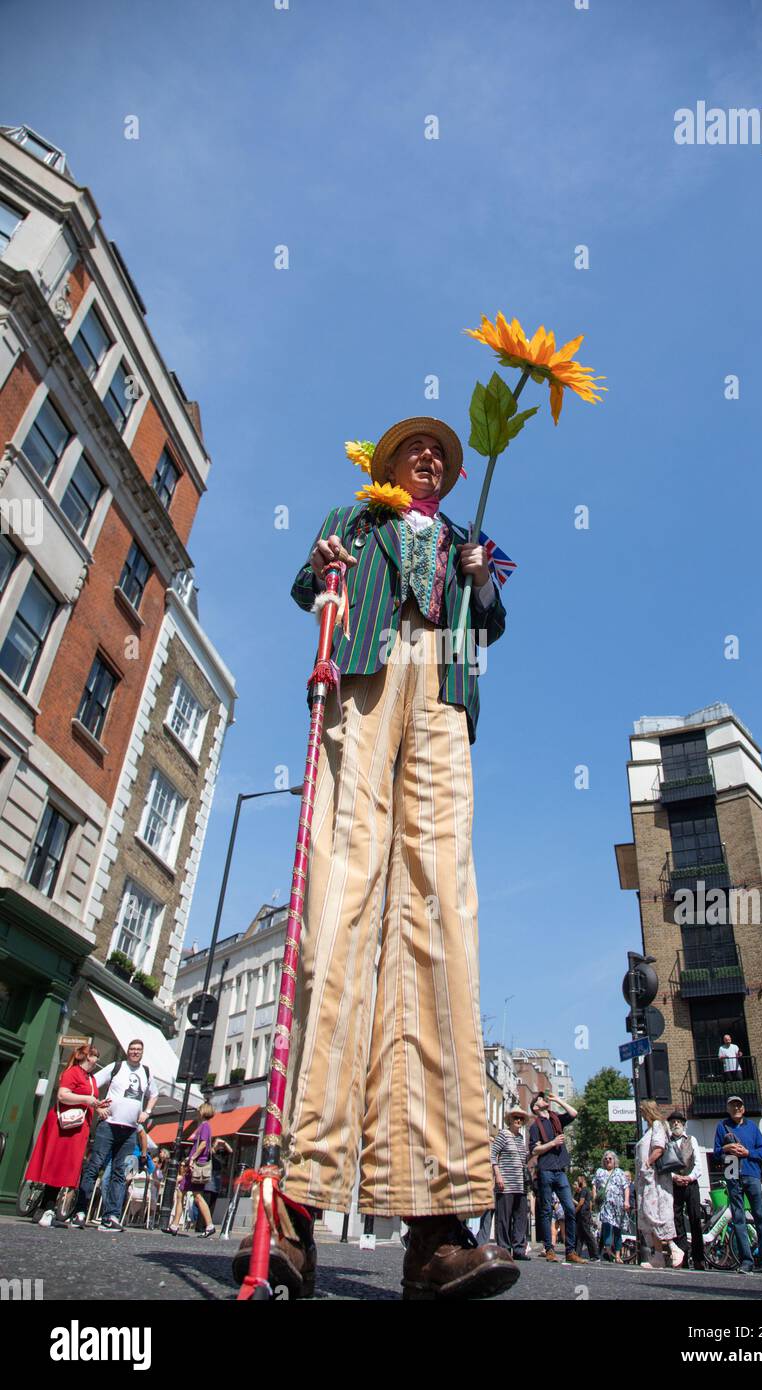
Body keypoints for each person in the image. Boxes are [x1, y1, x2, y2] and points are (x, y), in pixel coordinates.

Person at [233, 420, 516, 1302]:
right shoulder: (357, 519)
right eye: (414, 451)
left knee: (440, 924)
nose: (428, 460)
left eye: (441, 455)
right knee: (342, 905)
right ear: (389, 466)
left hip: (442, 689)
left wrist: (478, 584)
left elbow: (492, 625)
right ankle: (299, 1209)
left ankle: (436, 1229)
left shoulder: (474, 541)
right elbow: (305, 581)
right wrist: (325, 568)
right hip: (365, 679)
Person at [71, 1039, 160, 1231]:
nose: (135, 1052)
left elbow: (154, 1094)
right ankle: (79, 1212)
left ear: (142, 1053)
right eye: (132, 1049)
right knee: (94, 1167)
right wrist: (96, 1105)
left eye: (138, 1049)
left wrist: (148, 1112)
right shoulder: (117, 1066)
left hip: (129, 1129)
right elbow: (92, 1083)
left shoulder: (146, 1073)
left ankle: (111, 1216)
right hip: (108, 1125)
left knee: (119, 1173)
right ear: (127, 1051)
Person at [24, 1043, 108, 1227]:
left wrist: (99, 1107)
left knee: (67, 1167)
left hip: (79, 1127)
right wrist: (87, 1099)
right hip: (65, 1126)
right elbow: (62, 1095)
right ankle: (47, 1209)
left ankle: (44, 1210)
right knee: (58, 1164)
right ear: (87, 1057)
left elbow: (89, 1099)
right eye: (95, 1056)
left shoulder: (90, 1078)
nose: (97, 1060)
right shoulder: (73, 1073)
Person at [712, 1095, 762, 1276]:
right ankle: (746, 1261)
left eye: (739, 1105)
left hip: (751, 1173)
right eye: (733, 1106)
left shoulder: (752, 1127)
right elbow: (716, 1152)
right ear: (728, 1108)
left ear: (743, 1108)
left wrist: (747, 1152)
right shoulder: (721, 1126)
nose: (736, 1108)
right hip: (732, 1172)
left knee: (760, 1218)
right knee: (738, 1218)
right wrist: (727, 1149)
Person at [527, 1090, 581, 1264]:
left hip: (560, 1170)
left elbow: (574, 1113)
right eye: (542, 1098)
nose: (545, 1099)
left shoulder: (555, 1118)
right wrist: (552, 1143)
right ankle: (549, 1249)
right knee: (546, 1210)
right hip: (545, 1170)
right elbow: (534, 1149)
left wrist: (558, 1099)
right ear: (536, 1106)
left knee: (570, 1209)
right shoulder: (535, 1126)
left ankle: (570, 1251)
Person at [635, 1101, 684, 1270]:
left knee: (655, 1213)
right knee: (649, 1216)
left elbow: (658, 1148)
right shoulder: (651, 1128)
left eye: (642, 1111)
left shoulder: (657, 1125)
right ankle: (658, 1256)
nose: (641, 1115)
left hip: (654, 1179)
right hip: (647, 1179)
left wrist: (647, 1163)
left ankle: (673, 1247)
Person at [490, 1107, 530, 1260]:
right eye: (515, 1118)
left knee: (520, 1218)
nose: (518, 1120)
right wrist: (498, 1175)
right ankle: (504, 1250)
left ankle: (519, 1249)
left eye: (520, 1118)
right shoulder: (503, 1135)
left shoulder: (521, 1138)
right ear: (510, 1120)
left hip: (520, 1185)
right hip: (505, 1184)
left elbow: (524, 1161)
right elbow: (493, 1155)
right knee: (503, 1219)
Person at [668, 1110, 705, 1271]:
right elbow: (663, 1165)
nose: (676, 1124)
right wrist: (675, 1177)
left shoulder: (692, 1140)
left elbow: (698, 1164)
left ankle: (698, 1258)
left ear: (683, 1124)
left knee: (695, 1219)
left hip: (691, 1184)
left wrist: (689, 1178)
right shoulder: (666, 1142)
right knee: (677, 1221)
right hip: (675, 1184)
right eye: (673, 1122)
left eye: (678, 1122)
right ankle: (682, 1255)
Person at [173, 1103, 216, 1236]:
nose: (198, 1111)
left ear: (203, 1111)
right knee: (182, 1192)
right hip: (194, 1164)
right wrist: (190, 1157)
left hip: (196, 1166)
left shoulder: (204, 1126)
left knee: (196, 1196)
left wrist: (192, 1158)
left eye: (199, 1109)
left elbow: (203, 1144)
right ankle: (174, 1225)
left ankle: (209, 1225)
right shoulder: (204, 1126)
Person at [593, 1150, 630, 1262]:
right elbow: (594, 1185)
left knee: (617, 1229)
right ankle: (608, 1249)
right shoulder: (600, 1172)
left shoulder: (620, 1172)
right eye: (606, 1158)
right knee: (607, 1225)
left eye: (610, 1158)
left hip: (618, 1205)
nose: (608, 1160)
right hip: (605, 1205)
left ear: (614, 1161)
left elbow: (626, 1187)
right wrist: (595, 1198)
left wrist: (626, 1201)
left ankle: (617, 1255)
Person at [573, 1175, 598, 1259]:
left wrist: (574, 1211)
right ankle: (577, 1254)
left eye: (578, 1180)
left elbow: (581, 1203)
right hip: (583, 1215)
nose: (578, 1181)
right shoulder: (585, 1190)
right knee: (580, 1235)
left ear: (583, 1180)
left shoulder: (584, 1190)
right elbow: (590, 1204)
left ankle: (595, 1255)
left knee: (588, 1234)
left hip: (584, 1215)